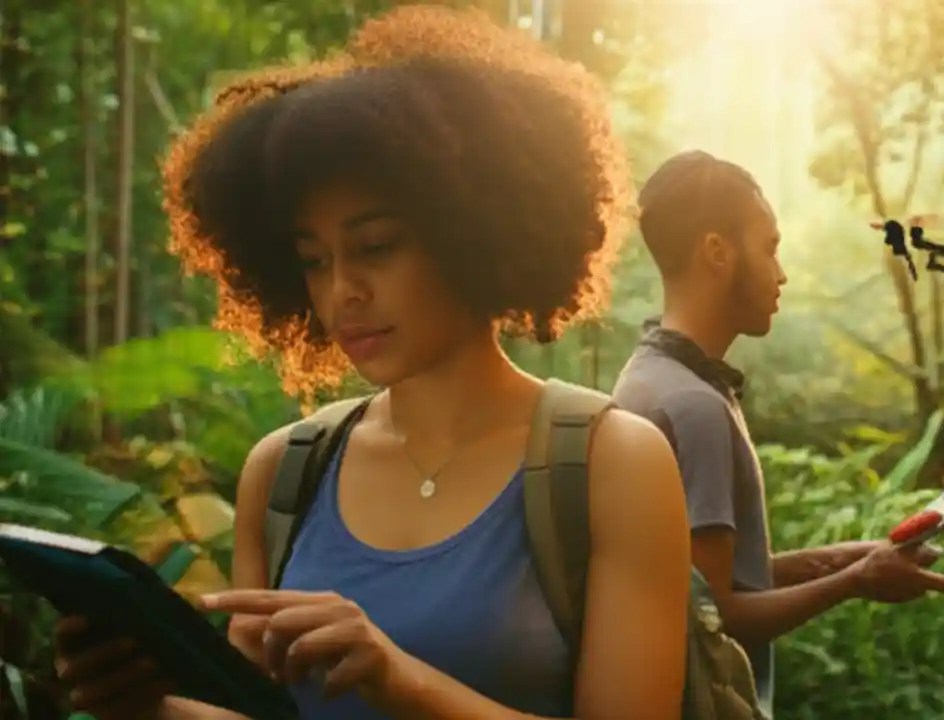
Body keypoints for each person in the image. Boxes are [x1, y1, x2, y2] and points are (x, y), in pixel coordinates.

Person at [51, 6, 691, 719]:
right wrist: (148, 707)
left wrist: (401, 680)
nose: (341, 292)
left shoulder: (612, 466)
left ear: (473, 232)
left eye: (377, 246)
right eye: (313, 261)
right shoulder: (288, 471)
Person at [610, 150, 944, 716]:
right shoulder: (694, 407)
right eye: (770, 249)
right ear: (717, 253)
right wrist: (856, 582)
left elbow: (695, 582)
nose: (781, 273)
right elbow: (715, 615)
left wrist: (839, 559)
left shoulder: (646, 378)